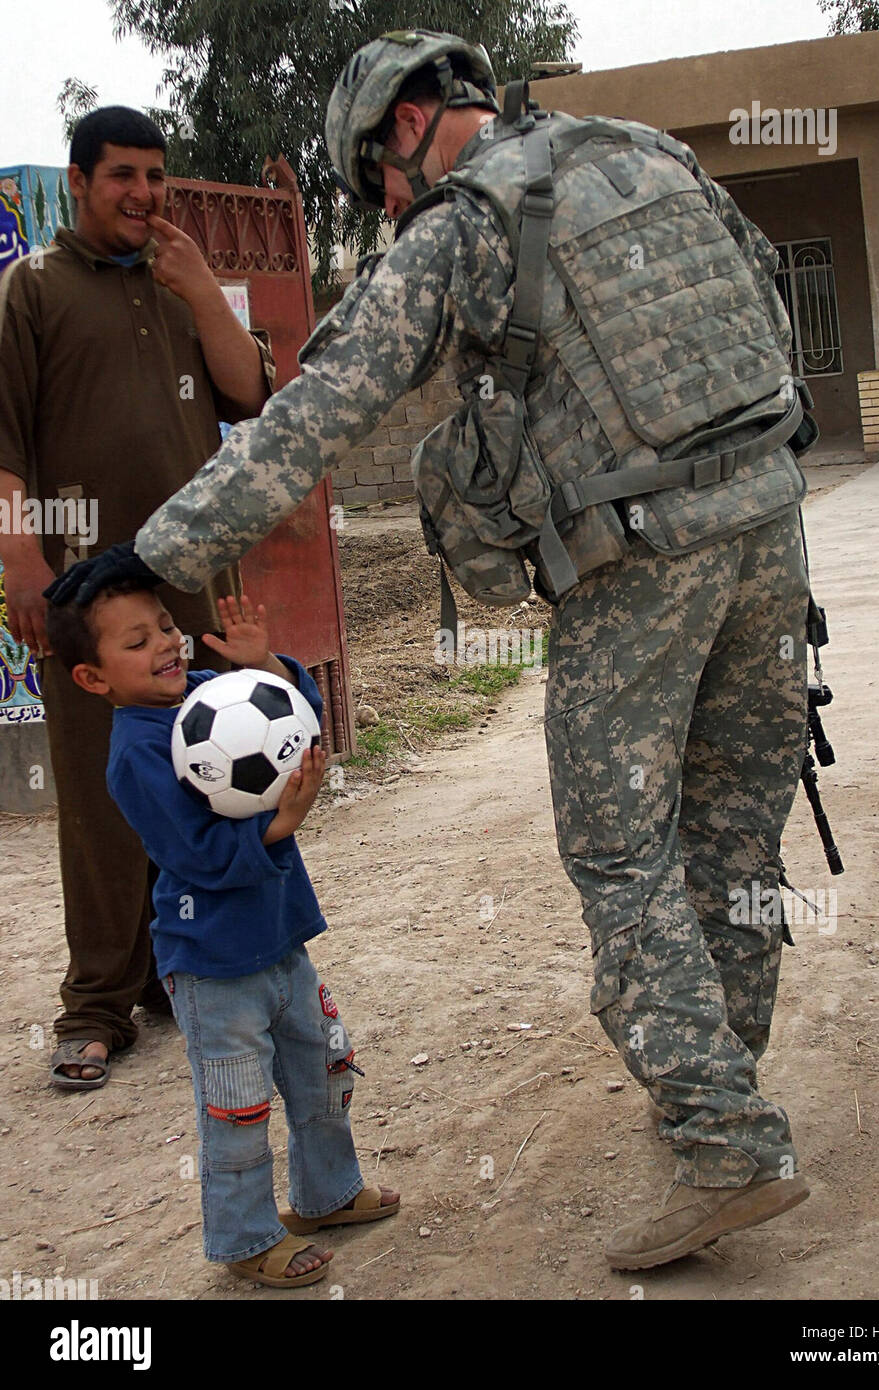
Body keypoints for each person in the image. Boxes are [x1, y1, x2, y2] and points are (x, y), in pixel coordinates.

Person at [48, 31, 814, 1271]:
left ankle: (726, 1138)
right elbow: (766, 296)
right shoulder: (651, 154)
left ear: (406, 124)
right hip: (774, 530)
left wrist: (156, 557)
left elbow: (312, 416)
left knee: (623, 852)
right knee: (736, 830)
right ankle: (725, 1088)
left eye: (377, 184)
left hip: (642, 562)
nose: (388, 208)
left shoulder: (464, 227)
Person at [0, 106, 275, 1090]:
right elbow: (5, 442)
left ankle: (183, 962)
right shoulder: (31, 291)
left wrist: (202, 288)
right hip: (85, 587)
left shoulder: (178, 282)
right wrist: (22, 562)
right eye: (122, 176)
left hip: (194, 582)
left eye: (155, 176)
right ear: (79, 183)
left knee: (207, 764)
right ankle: (97, 1002)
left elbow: (249, 390)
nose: (143, 195)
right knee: (102, 786)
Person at [43, 583, 399, 1286]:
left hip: (282, 938)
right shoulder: (135, 755)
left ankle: (326, 1195)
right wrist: (282, 823)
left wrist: (267, 664)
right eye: (136, 642)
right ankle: (243, 1238)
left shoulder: (211, 695)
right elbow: (198, 853)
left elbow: (294, 720)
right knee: (237, 1108)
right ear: (93, 677)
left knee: (324, 1071)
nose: (166, 645)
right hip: (213, 964)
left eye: (167, 626)